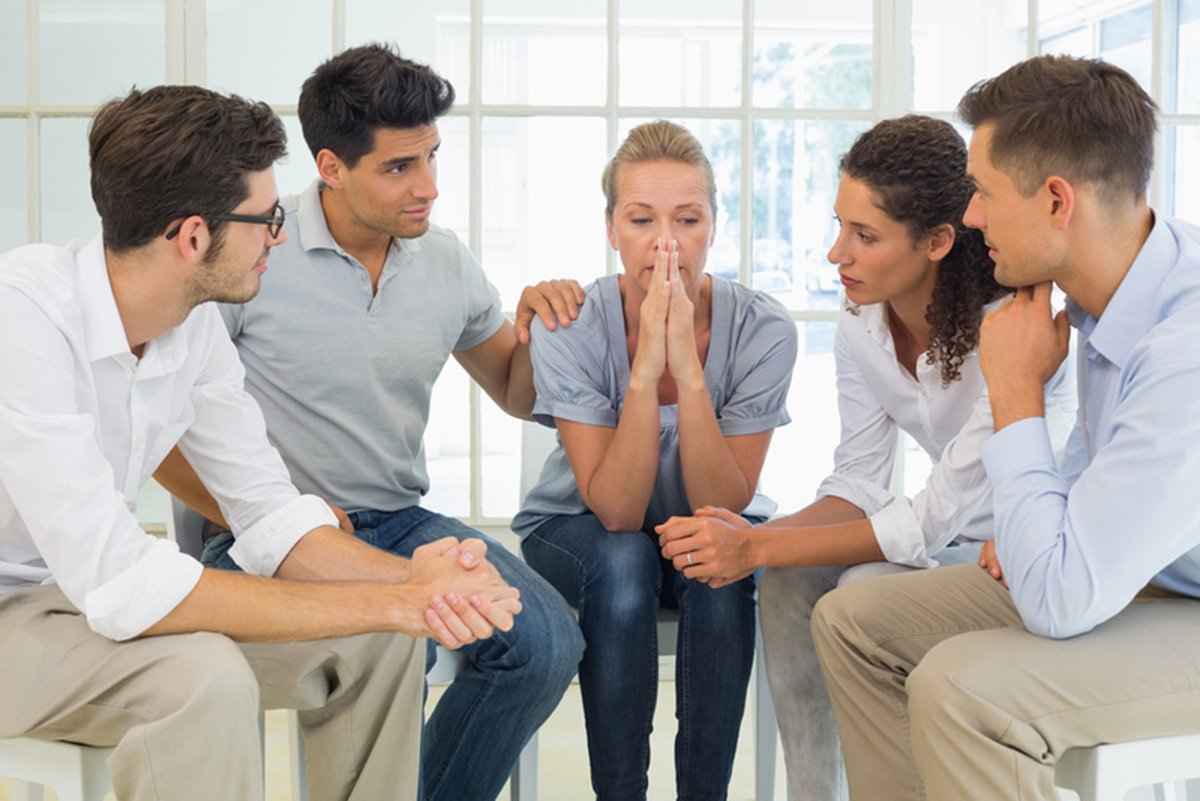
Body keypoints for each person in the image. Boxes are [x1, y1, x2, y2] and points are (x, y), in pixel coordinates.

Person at [0, 85, 520, 801]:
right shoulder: (22, 315)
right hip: (16, 615)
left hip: (85, 605)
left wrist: (410, 587)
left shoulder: (190, 323)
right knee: (202, 677)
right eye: (267, 219)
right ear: (193, 238)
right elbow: (119, 583)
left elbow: (270, 514)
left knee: (385, 643)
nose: (279, 235)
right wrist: (389, 598)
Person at [153, 44, 585, 801]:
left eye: (432, 157)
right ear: (331, 167)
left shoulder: (444, 261)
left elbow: (515, 392)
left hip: (401, 519)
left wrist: (540, 326)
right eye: (399, 167)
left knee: (545, 643)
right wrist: (280, 519)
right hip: (263, 535)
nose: (429, 186)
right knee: (392, 644)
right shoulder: (251, 255)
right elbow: (159, 437)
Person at [810, 55, 1200, 800]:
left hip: (1181, 599)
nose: (972, 217)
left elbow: (1058, 601)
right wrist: (1039, 525)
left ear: (1056, 200)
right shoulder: (1113, 283)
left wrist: (1016, 390)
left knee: (964, 689)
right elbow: (1093, 472)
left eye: (983, 194)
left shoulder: (1185, 350)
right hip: (1142, 569)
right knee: (853, 620)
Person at [654, 115, 1076, 799]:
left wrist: (756, 546)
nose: (835, 254)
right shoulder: (861, 322)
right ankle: (814, 793)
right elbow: (858, 479)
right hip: (951, 549)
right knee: (790, 580)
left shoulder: (1010, 332)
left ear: (937, 241)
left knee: (857, 589)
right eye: (839, 226)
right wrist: (749, 539)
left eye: (865, 236)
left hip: (1027, 556)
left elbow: (931, 517)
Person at [511, 119, 798, 800]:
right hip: (579, 529)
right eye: (641, 219)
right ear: (611, 228)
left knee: (719, 557)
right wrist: (646, 368)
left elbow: (721, 503)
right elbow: (615, 509)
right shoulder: (569, 323)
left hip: (700, 525)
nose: (665, 242)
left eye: (688, 219)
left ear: (714, 225)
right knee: (623, 555)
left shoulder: (764, 329)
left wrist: (688, 373)